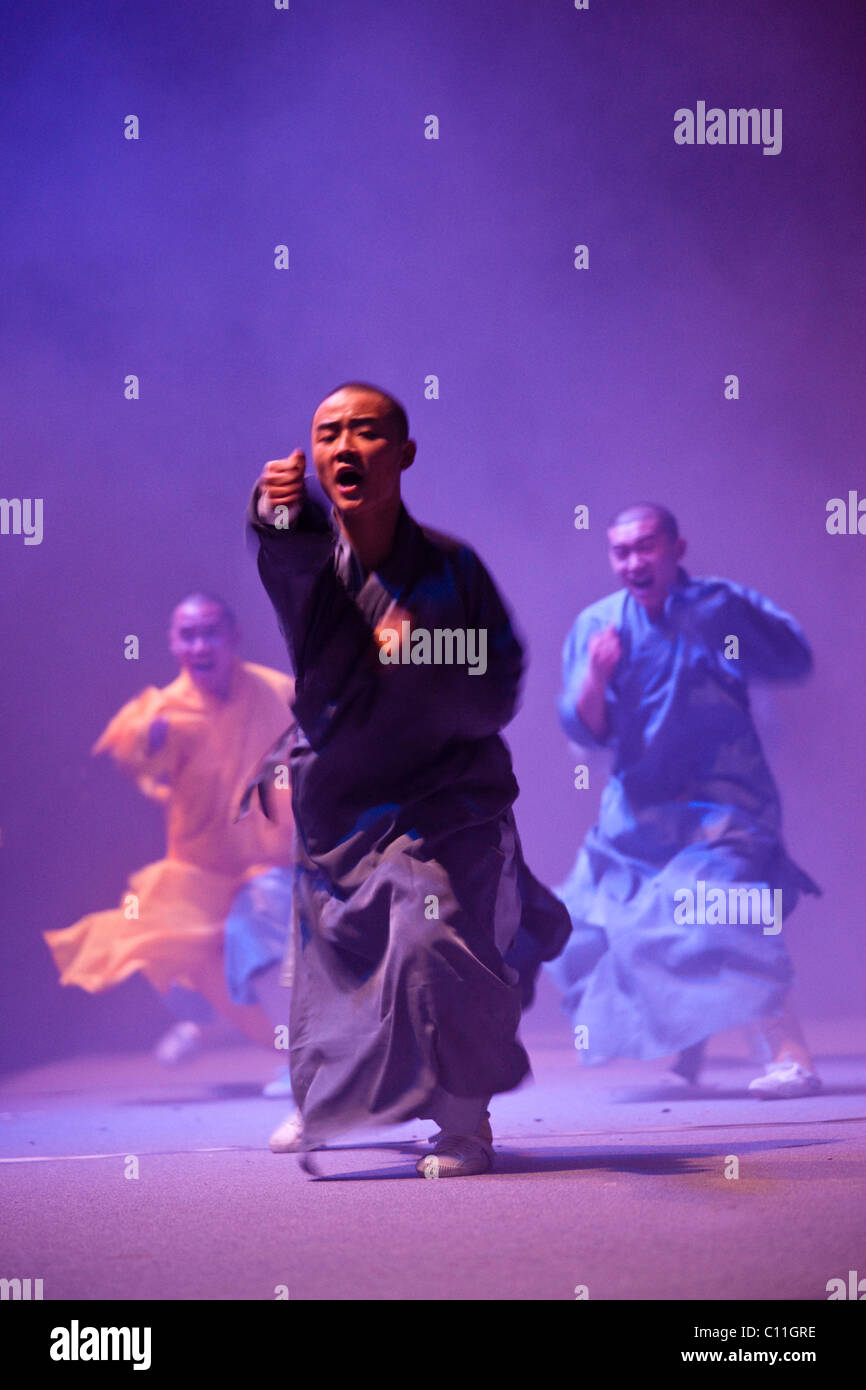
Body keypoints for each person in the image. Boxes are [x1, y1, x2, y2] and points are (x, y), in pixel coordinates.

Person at [248, 382, 570, 1176]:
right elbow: (287, 554)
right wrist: (275, 513)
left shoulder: (454, 567)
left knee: (437, 940)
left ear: (404, 452)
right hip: (343, 806)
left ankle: (464, 1124)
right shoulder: (315, 567)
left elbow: (502, 678)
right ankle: (324, 1100)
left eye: (365, 431)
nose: (345, 446)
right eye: (329, 434)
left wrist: (426, 652)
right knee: (336, 958)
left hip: (446, 801)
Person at [548, 503, 821, 1098]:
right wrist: (596, 675)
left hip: (726, 808)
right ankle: (691, 1051)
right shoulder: (598, 625)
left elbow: (793, 659)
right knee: (593, 931)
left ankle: (791, 1054)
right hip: (638, 820)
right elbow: (582, 726)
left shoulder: (721, 605)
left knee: (722, 910)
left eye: (646, 547)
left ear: (677, 549)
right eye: (621, 552)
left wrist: (736, 621)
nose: (633, 562)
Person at [45, 594, 296, 1085]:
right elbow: (133, 752)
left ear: (232, 637)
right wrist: (149, 743)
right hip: (197, 875)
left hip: (269, 864)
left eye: (210, 633)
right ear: (173, 643)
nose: (199, 645)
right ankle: (208, 1024)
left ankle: (300, 1062)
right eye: (188, 635)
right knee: (168, 953)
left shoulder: (278, 693)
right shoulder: (162, 712)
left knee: (258, 938)